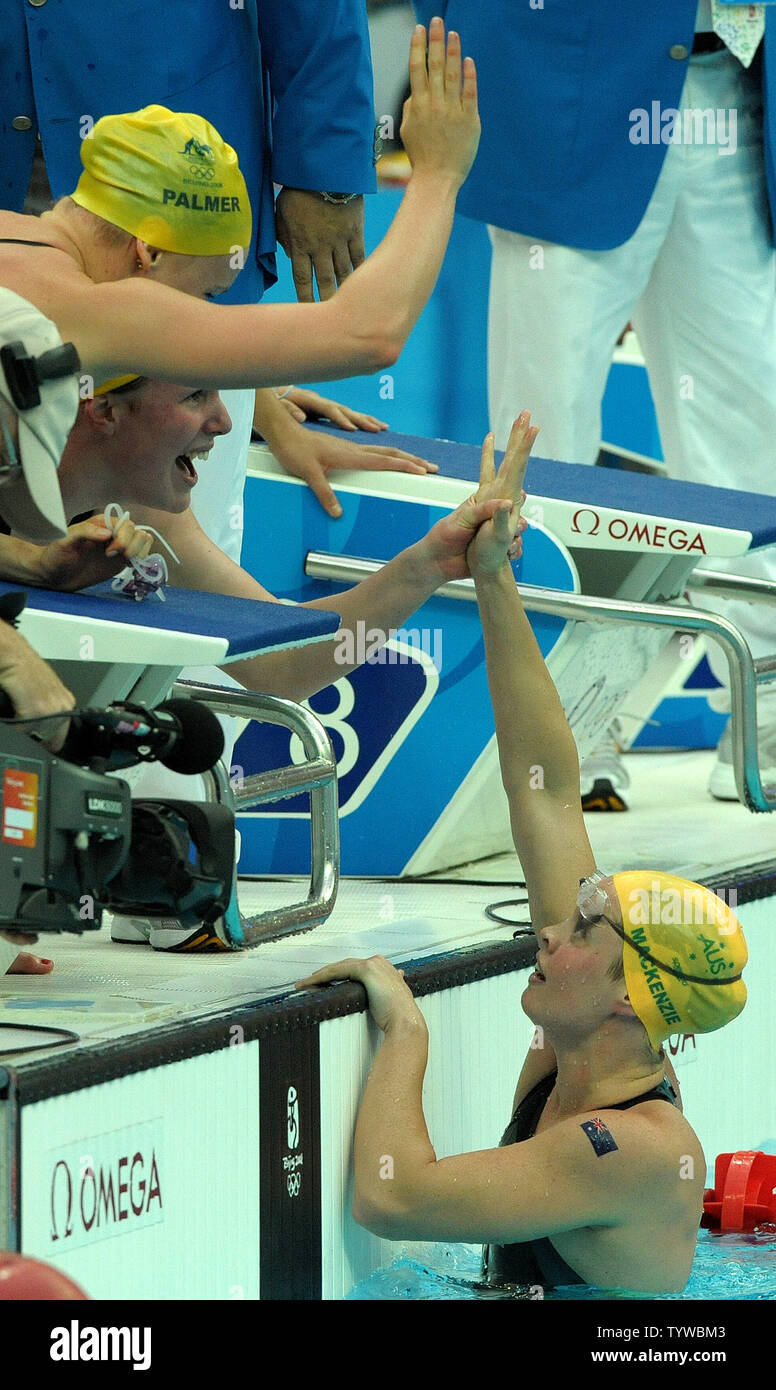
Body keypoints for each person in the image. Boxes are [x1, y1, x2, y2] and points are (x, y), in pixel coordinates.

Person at [297, 413, 748, 1294]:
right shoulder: (584, 1046)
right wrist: (496, 578)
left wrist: (408, 1030)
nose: (550, 932)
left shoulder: (625, 1149)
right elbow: (543, 790)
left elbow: (394, 1201)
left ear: (627, 997)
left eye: (583, 930)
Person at [412, 1, 776, 807]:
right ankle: (568, 716)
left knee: (750, 421)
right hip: (567, 99)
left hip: (737, 84)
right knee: (546, 431)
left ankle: (763, 702)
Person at [45, 373, 516, 950]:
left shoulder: (150, 514)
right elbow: (371, 337)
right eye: (197, 397)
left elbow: (283, 666)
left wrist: (427, 565)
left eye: (229, 397)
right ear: (106, 411)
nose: (225, 423)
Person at [6, 0, 392, 533]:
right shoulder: (121, 306)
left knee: (167, 551)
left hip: (172, 130)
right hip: (132, 162)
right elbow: (370, 337)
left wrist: (327, 168)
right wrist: (441, 174)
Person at [0, 22, 479, 413]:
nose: (203, 317)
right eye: (207, 297)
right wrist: (439, 175)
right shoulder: (100, 316)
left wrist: (265, 405)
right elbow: (368, 335)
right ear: (147, 251)